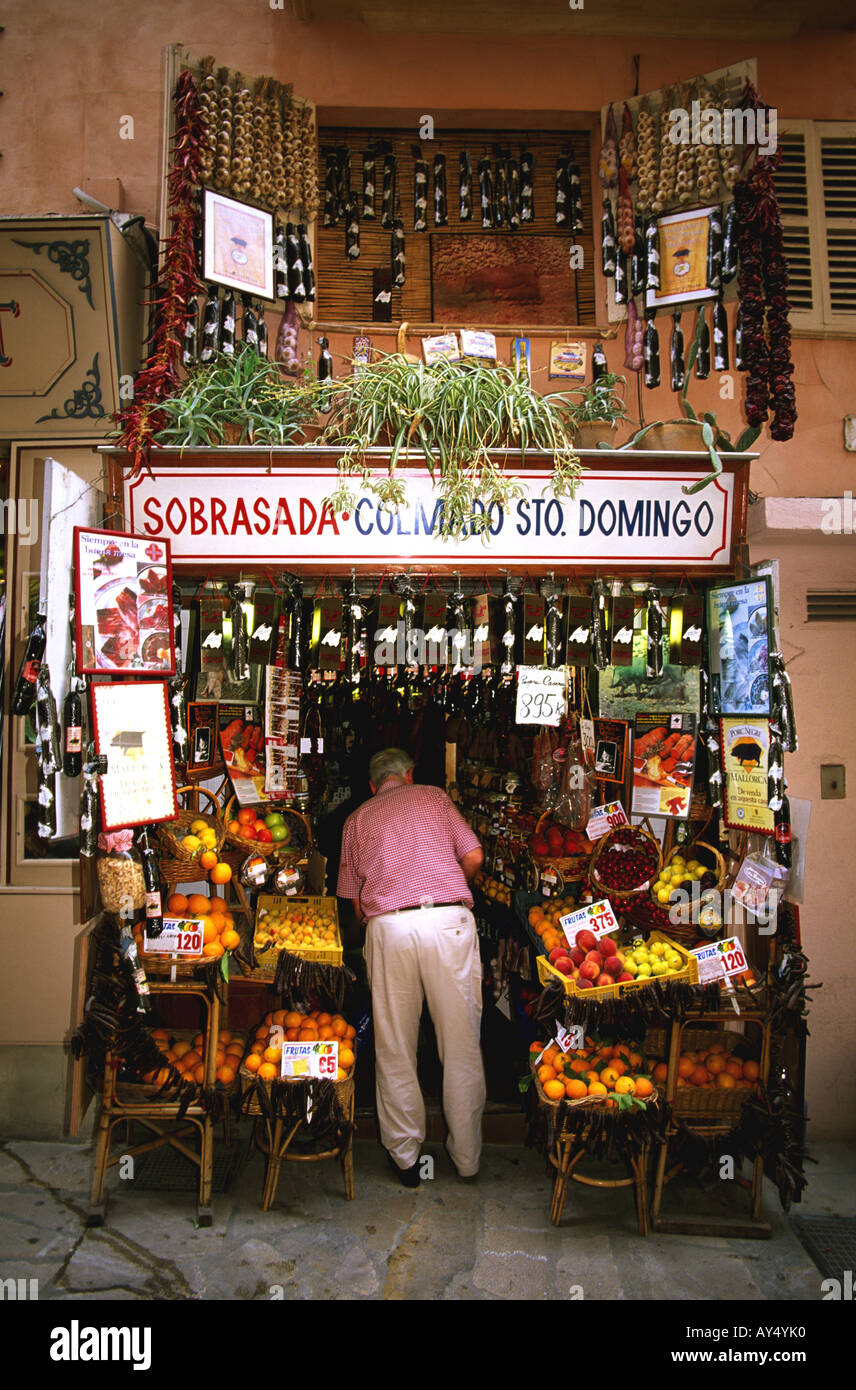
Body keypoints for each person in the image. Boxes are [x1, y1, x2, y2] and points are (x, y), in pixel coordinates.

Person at [337, 747, 486, 1187]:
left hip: (390, 929)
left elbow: (354, 898)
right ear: (409, 774)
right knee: (461, 1043)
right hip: (448, 922)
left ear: (372, 784)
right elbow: (474, 858)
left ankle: (406, 1158)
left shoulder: (358, 819)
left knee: (395, 1045)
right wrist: (446, 887)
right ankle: (467, 1159)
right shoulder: (434, 798)